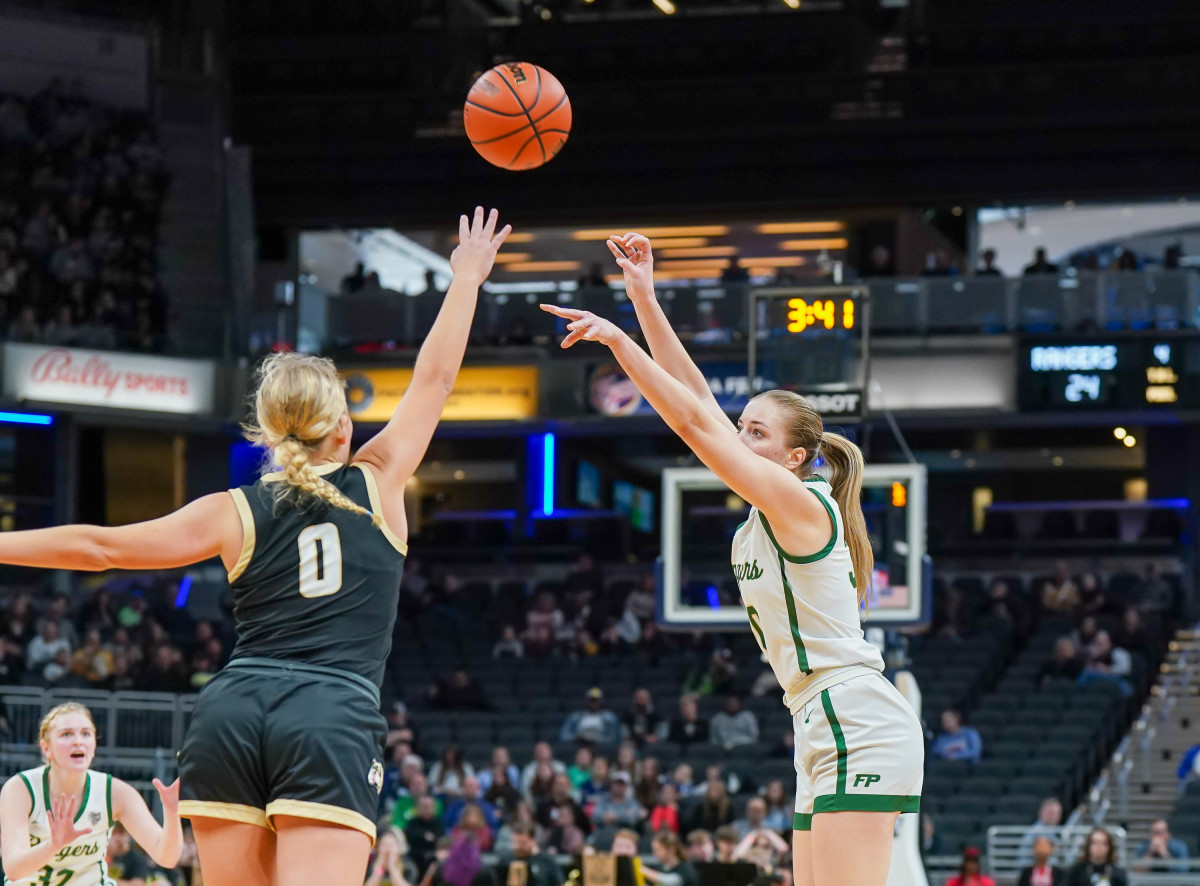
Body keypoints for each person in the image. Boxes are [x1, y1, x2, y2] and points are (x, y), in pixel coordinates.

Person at [0, 207, 509, 886]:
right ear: (341, 428)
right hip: (330, 712)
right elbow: (435, 380)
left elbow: (99, 547)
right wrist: (467, 277)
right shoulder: (380, 479)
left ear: (272, 433)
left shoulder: (231, 509)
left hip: (232, 711)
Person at [541, 230, 923, 886]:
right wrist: (644, 299)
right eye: (740, 427)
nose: (738, 435)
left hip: (854, 717)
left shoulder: (804, 504)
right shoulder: (769, 501)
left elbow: (691, 424)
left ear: (795, 456)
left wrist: (616, 340)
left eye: (755, 432)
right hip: (817, 719)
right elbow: (695, 399)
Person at [0, 703, 182, 886]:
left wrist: (172, 812)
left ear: (94, 746)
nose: (78, 741)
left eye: (86, 734)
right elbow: (14, 869)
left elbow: (166, 857)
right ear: (46, 748)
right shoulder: (20, 789)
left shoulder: (115, 792)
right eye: (66, 734)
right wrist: (54, 845)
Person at [1064, 828, 1128, 886]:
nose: (1099, 847)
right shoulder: (1076, 872)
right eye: (1095, 843)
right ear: (1088, 846)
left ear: (1109, 847)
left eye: (1103, 843)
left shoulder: (1118, 873)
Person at [1017, 798, 1063, 866]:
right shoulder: (1035, 832)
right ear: (1041, 813)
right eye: (1050, 813)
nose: (1054, 816)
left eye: (1057, 813)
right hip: (1032, 872)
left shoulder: (1054, 831)